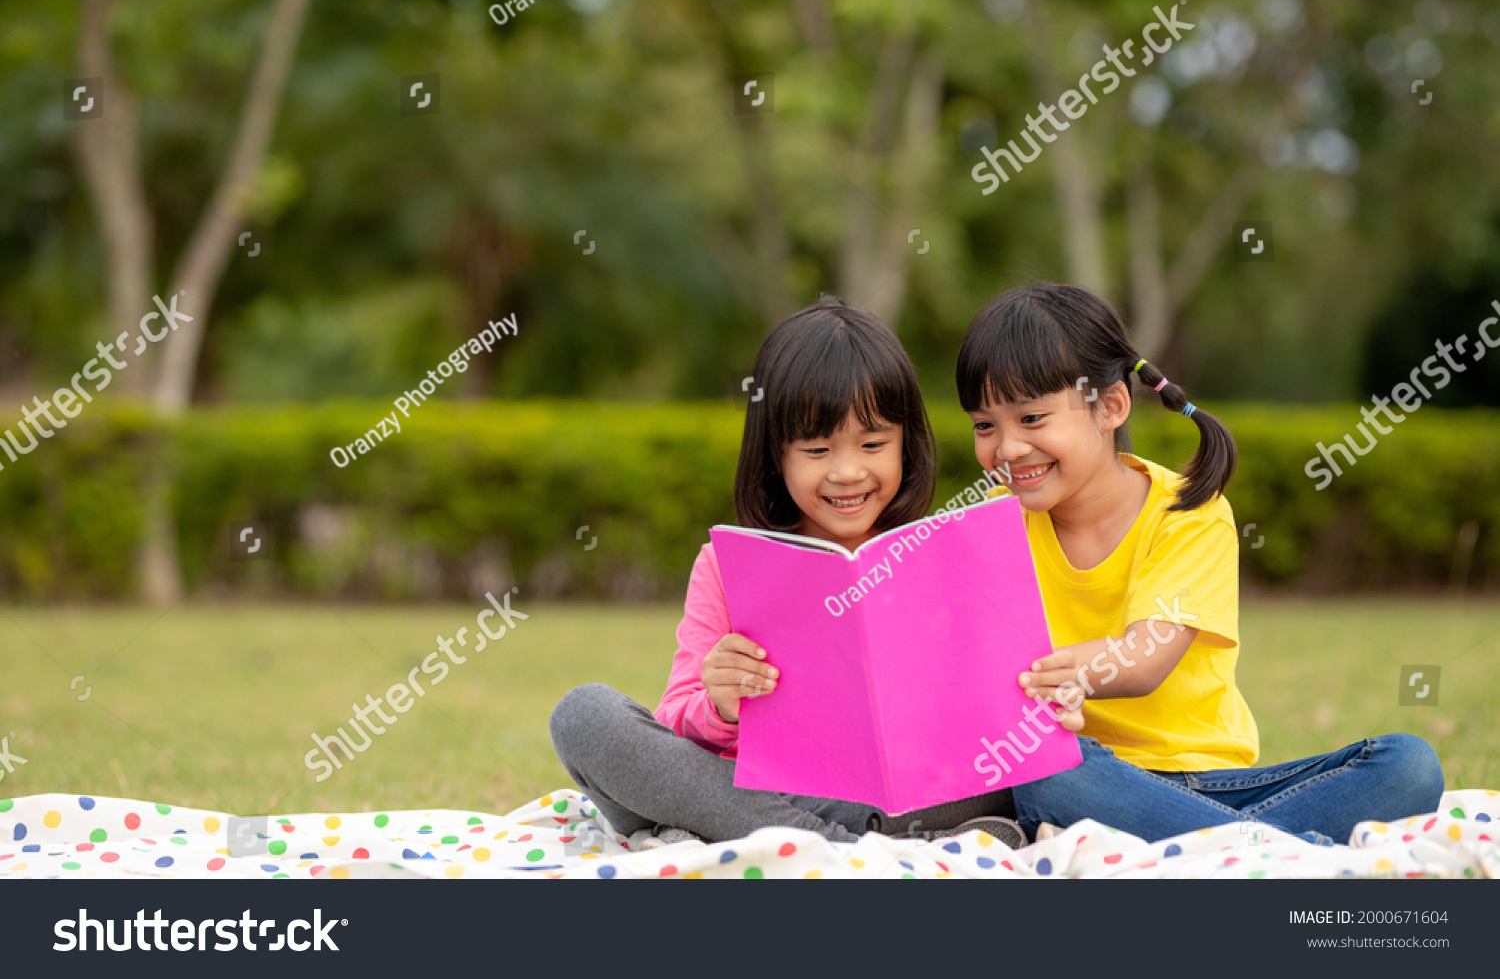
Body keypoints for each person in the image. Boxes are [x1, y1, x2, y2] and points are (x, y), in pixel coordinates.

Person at [549, 296, 1082, 849]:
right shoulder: (727, 566)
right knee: (586, 717)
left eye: (874, 445)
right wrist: (721, 705)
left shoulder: (940, 553)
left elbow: (1001, 705)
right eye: (817, 449)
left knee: (1047, 771)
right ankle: (840, 849)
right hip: (757, 789)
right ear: (776, 455)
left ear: (907, 445)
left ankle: (716, 836)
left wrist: (1036, 703)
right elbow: (677, 720)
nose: (847, 473)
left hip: (904, 797)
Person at [956, 281, 1445, 846]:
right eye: (984, 425)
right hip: (1087, 776)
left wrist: (1044, 679)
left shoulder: (1188, 514)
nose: (1007, 448)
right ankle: (1273, 854)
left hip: (1208, 783)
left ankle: (1234, 849)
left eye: (1032, 419)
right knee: (1048, 771)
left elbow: (1145, 657)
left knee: (1409, 765)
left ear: (1110, 406)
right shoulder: (989, 525)